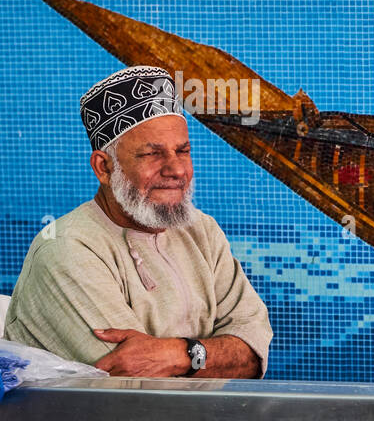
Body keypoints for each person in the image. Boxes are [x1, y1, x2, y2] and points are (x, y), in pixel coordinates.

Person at [3, 66, 272, 377]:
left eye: (182, 151)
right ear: (104, 168)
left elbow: (254, 353)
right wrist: (216, 354)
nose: (175, 169)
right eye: (151, 154)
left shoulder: (201, 230)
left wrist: (180, 355)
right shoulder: (67, 249)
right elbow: (138, 387)